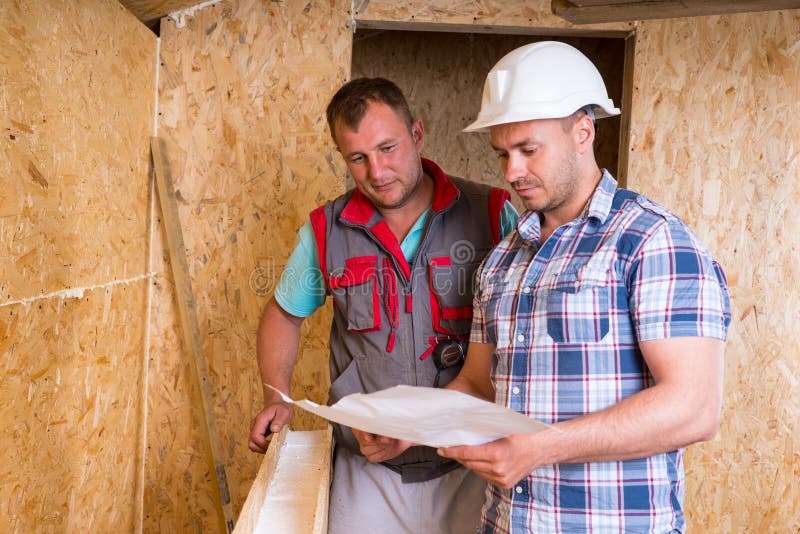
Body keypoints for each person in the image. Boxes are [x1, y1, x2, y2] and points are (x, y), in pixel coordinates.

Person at [434, 41, 732, 533]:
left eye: (529, 150)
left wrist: (538, 449)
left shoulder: (650, 241)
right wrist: (410, 425)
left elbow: (695, 409)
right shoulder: (503, 261)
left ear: (583, 132)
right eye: (503, 154)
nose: (512, 172)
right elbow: (479, 383)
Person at [247, 77, 519, 533]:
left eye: (388, 148)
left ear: (417, 134)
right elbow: (283, 313)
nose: (377, 171)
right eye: (358, 157)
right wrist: (276, 395)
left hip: (470, 461)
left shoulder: (492, 212)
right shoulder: (327, 230)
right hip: (366, 469)